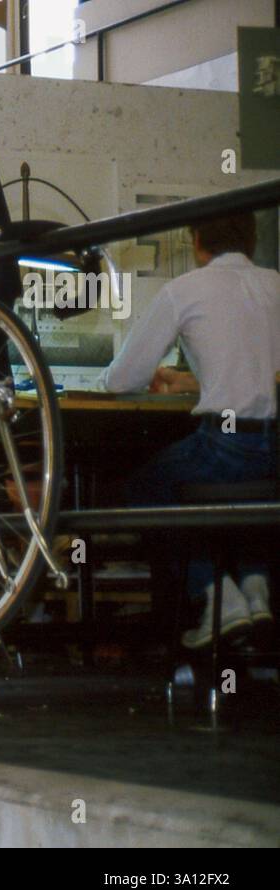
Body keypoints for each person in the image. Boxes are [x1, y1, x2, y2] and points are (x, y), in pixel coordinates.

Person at [98, 211, 280, 648]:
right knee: (251, 490)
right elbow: (259, 376)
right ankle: (257, 586)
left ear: (196, 240)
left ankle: (217, 597)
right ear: (250, 241)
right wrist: (197, 383)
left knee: (144, 486)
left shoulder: (184, 291)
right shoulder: (275, 283)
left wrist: (148, 376)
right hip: (274, 451)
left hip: (223, 447)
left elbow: (122, 380)